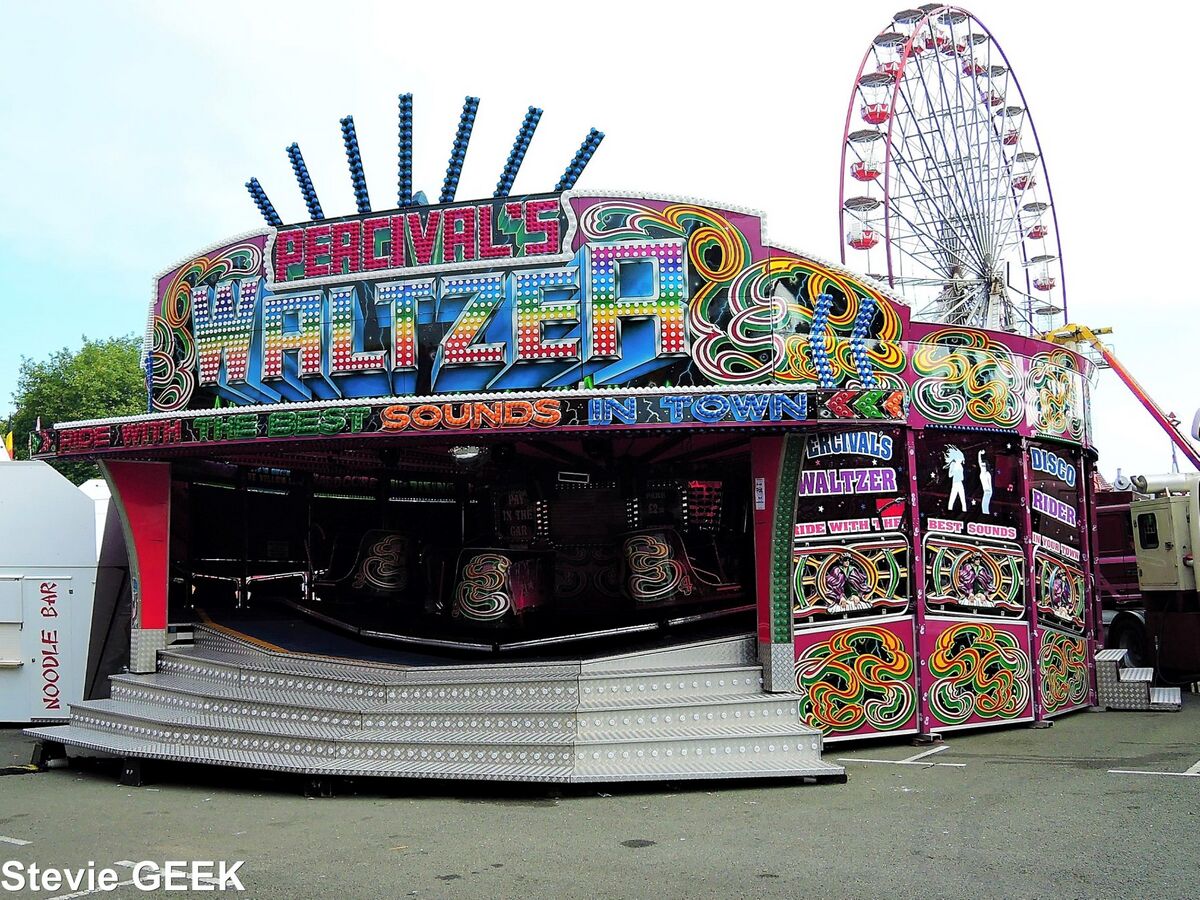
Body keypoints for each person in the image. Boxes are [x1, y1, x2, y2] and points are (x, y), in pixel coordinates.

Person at [944, 446, 966, 512]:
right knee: (952, 497)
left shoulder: (960, 465)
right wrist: (955, 470)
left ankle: (964, 510)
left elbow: (962, 476)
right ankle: (949, 510)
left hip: (960, 482)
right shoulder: (953, 464)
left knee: (962, 497)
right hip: (955, 483)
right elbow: (950, 475)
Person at [978, 450, 993, 515]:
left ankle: (987, 515)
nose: (982, 467)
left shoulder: (987, 474)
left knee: (984, 505)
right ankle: (986, 515)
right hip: (985, 491)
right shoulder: (982, 473)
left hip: (988, 491)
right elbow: (979, 461)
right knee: (984, 505)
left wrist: (990, 491)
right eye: (982, 465)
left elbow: (990, 483)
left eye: (984, 466)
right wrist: (979, 453)